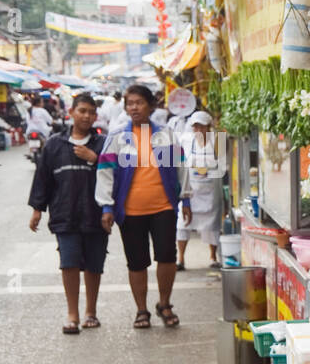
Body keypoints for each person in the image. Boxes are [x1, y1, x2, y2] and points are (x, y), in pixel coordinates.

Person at [96, 83, 190, 329]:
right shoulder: (118, 136)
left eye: (139, 102)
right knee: (137, 262)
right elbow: (105, 172)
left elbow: (181, 168)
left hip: (164, 208)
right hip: (130, 211)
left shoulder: (165, 135)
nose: (134, 107)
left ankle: (164, 303)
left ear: (150, 105)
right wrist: (106, 207)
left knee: (167, 257)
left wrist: (186, 199)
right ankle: (141, 310)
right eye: (130, 103)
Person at [28, 94, 107, 334]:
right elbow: (43, 178)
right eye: (82, 110)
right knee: (69, 263)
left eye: (90, 112)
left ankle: (90, 312)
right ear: (71, 112)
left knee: (95, 265)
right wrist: (37, 210)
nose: (86, 116)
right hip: (65, 213)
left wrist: (95, 159)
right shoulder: (54, 144)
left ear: (95, 116)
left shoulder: (103, 144)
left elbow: (115, 175)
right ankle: (72, 314)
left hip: (96, 214)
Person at [175, 111, 223, 270]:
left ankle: (212, 256)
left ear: (209, 127)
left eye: (202, 126)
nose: (199, 130)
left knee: (212, 225)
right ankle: (180, 259)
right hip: (191, 188)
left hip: (210, 189)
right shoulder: (185, 140)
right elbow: (179, 160)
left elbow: (222, 164)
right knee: (183, 224)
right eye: (196, 127)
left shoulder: (218, 141)